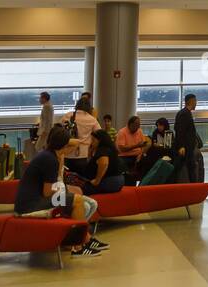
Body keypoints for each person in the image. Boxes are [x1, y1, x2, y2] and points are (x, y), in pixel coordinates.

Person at [13, 124, 105, 257]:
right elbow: (47, 192)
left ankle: (85, 240)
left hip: (32, 201)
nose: (72, 147)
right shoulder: (50, 160)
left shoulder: (49, 154)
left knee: (82, 202)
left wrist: (65, 195)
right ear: (64, 145)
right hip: (31, 205)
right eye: (69, 144)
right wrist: (66, 195)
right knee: (78, 201)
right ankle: (79, 247)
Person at [82, 129, 126, 195]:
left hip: (111, 181)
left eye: (93, 140)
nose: (91, 142)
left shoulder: (103, 150)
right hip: (118, 180)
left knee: (81, 189)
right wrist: (90, 152)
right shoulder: (109, 148)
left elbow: (104, 163)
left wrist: (97, 180)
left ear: (100, 140)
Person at [173, 93, 203, 183]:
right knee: (189, 167)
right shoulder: (184, 114)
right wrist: (182, 146)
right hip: (186, 147)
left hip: (187, 147)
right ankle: (193, 187)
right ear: (191, 101)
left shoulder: (185, 113)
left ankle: (192, 185)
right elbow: (180, 131)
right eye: (195, 101)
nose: (196, 103)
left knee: (190, 167)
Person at [32, 90, 54, 159]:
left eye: (40, 98)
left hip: (45, 131)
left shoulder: (47, 107)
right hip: (46, 131)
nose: (39, 100)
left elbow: (48, 120)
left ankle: (42, 160)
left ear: (44, 98)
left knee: (38, 147)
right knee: (43, 147)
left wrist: (45, 131)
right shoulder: (48, 106)